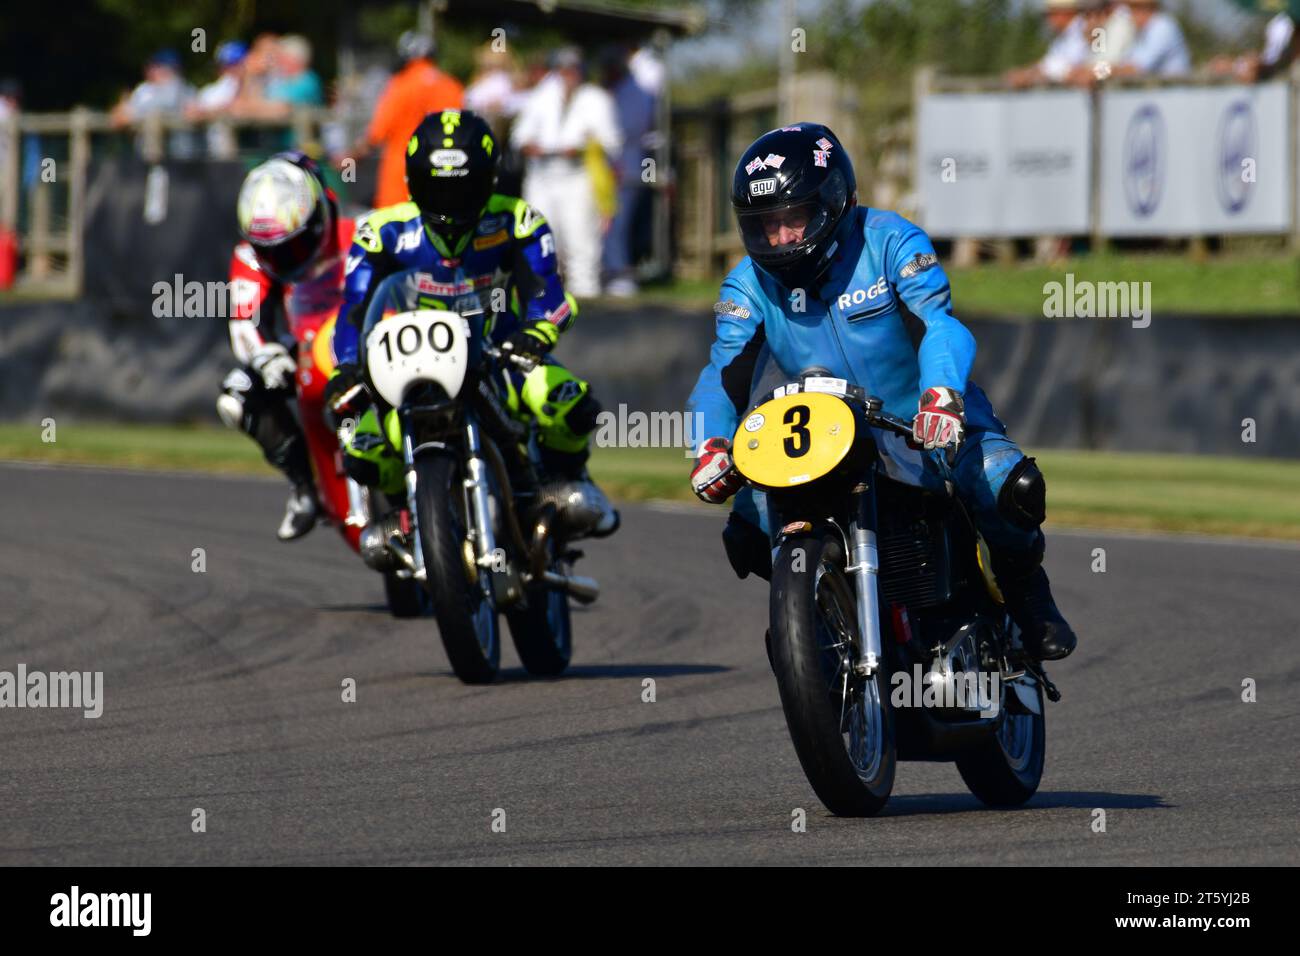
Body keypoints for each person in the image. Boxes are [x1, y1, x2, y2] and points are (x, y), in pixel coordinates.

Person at [685, 123, 1077, 663]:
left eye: (792, 219)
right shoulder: (747, 282)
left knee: (1010, 486)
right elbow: (724, 372)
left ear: (834, 202)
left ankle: (1027, 588)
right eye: (765, 225)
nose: (780, 239)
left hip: (921, 418)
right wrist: (709, 445)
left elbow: (938, 326)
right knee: (746, 530)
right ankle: (818, 620)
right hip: (825, 428)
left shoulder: (892, 240)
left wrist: (941, 397)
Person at [327, 109, 618, 537]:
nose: (451, 201)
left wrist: (535, 333)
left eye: (463, 189)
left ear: (488, 180)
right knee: (364, 451)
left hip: (503, 361)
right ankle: (404, 515)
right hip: (411, 370)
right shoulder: (381, 231)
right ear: (413, 182)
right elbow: (354, 307)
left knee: (570, 404)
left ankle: (568, 480)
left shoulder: (517, 220)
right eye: (437, 188)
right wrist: (348, 366)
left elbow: (548, 292)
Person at [216, 152, 355, 540]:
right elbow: (246, 324)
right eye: (271, 250)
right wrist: (268, 356)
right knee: (236, 396)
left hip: (361, 339)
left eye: (291, 247)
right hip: (304, 350)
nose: (282, 259)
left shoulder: (359, 231)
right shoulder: (251, 257)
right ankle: (304, 486)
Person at [511, 48, 622, 299]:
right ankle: (541, 299)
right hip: (542, 176)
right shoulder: (541, 96)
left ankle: (586, 297)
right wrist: (531, 146)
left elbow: (612, 141)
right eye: (563, 69)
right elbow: (519, 137)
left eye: (572, 69)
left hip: (577, 177)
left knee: (581, 243)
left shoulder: (596, 98)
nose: (568, 74)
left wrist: (584, 146)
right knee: (538, 240)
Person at [355, 31, 464, 209]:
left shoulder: (401, 85)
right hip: (444, 175)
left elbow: (377, 133)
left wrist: (352, 157)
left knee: (394, 230)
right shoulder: (452, 86)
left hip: (402, 178)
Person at [1004, 0, 1089, 88]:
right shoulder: (1062, 37)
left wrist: (1030, 75)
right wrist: (1028, 74)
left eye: (1050, 14)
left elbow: (1073, 67)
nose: (1048, 20)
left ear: (1065, 12)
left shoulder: (1084, 31)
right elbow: (1049, 63)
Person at [1112, 0, 1190, 78]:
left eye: (1131, 8)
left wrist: (1102, 71)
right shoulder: (1142, 31)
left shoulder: (1163, 27)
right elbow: (1124, 62)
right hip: (1161, 87)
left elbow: (1135, 68)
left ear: (1144, 9)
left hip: (1174, 88)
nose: (1129, 15)